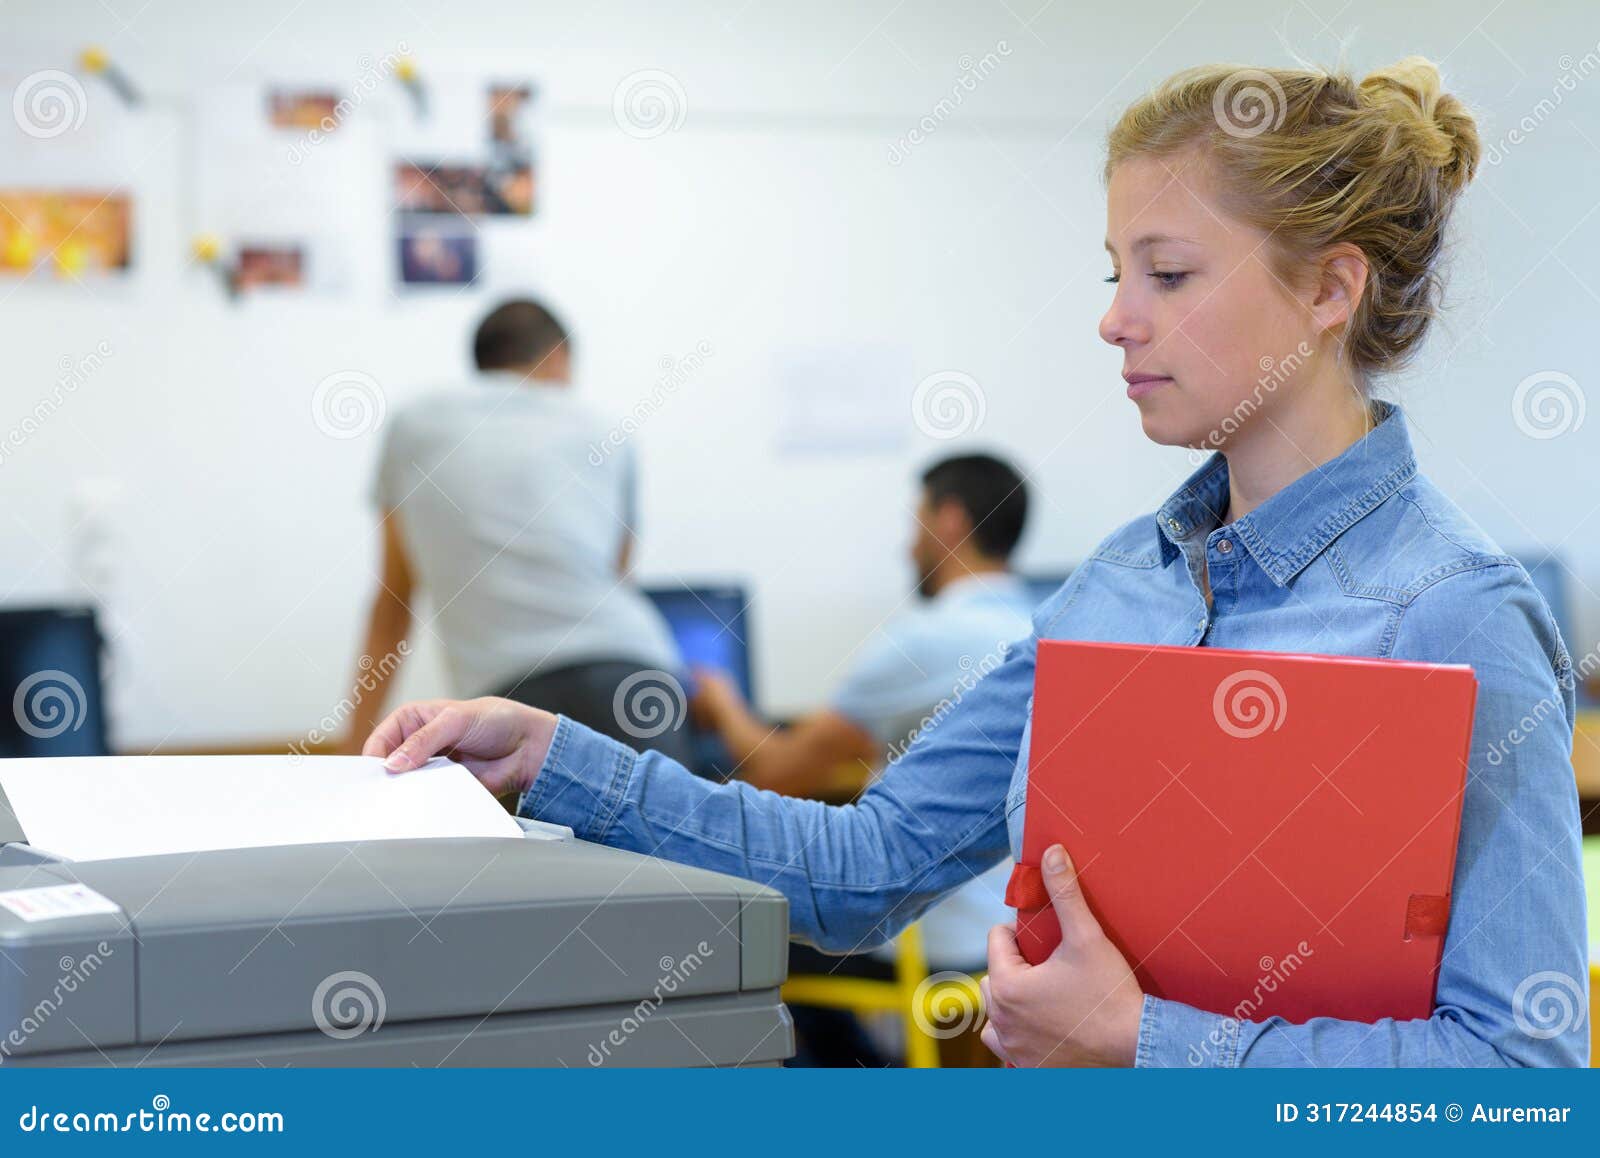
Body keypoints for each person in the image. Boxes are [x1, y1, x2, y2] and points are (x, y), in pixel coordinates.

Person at [365, 58, 1587, 1066]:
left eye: (1168, 274)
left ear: (1329, 287)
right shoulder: (1118, 588)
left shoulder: (1453, 615)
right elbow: (866, 865)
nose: (1117, 318)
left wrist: (1144, 1041)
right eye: (1119, 277)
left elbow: (1521, 1077)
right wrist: (554, 757)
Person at [691, 452, 1035, 1065]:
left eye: (917, 523)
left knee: (750, 937)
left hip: (938, 945)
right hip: (1020, 935)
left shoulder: (928, 638)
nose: (909, 547)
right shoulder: (1044, 628)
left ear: (950, 521)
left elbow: (777, 770)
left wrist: (720, 701)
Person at [343, 298, 691, 767]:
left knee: (524, 841)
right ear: (559, 359)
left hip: (507, 697)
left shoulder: (414, 424)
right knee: (653, 839)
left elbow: (394, 603)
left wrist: (351, 755)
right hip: (637, 675)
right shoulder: (608, 431)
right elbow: (618, 578)